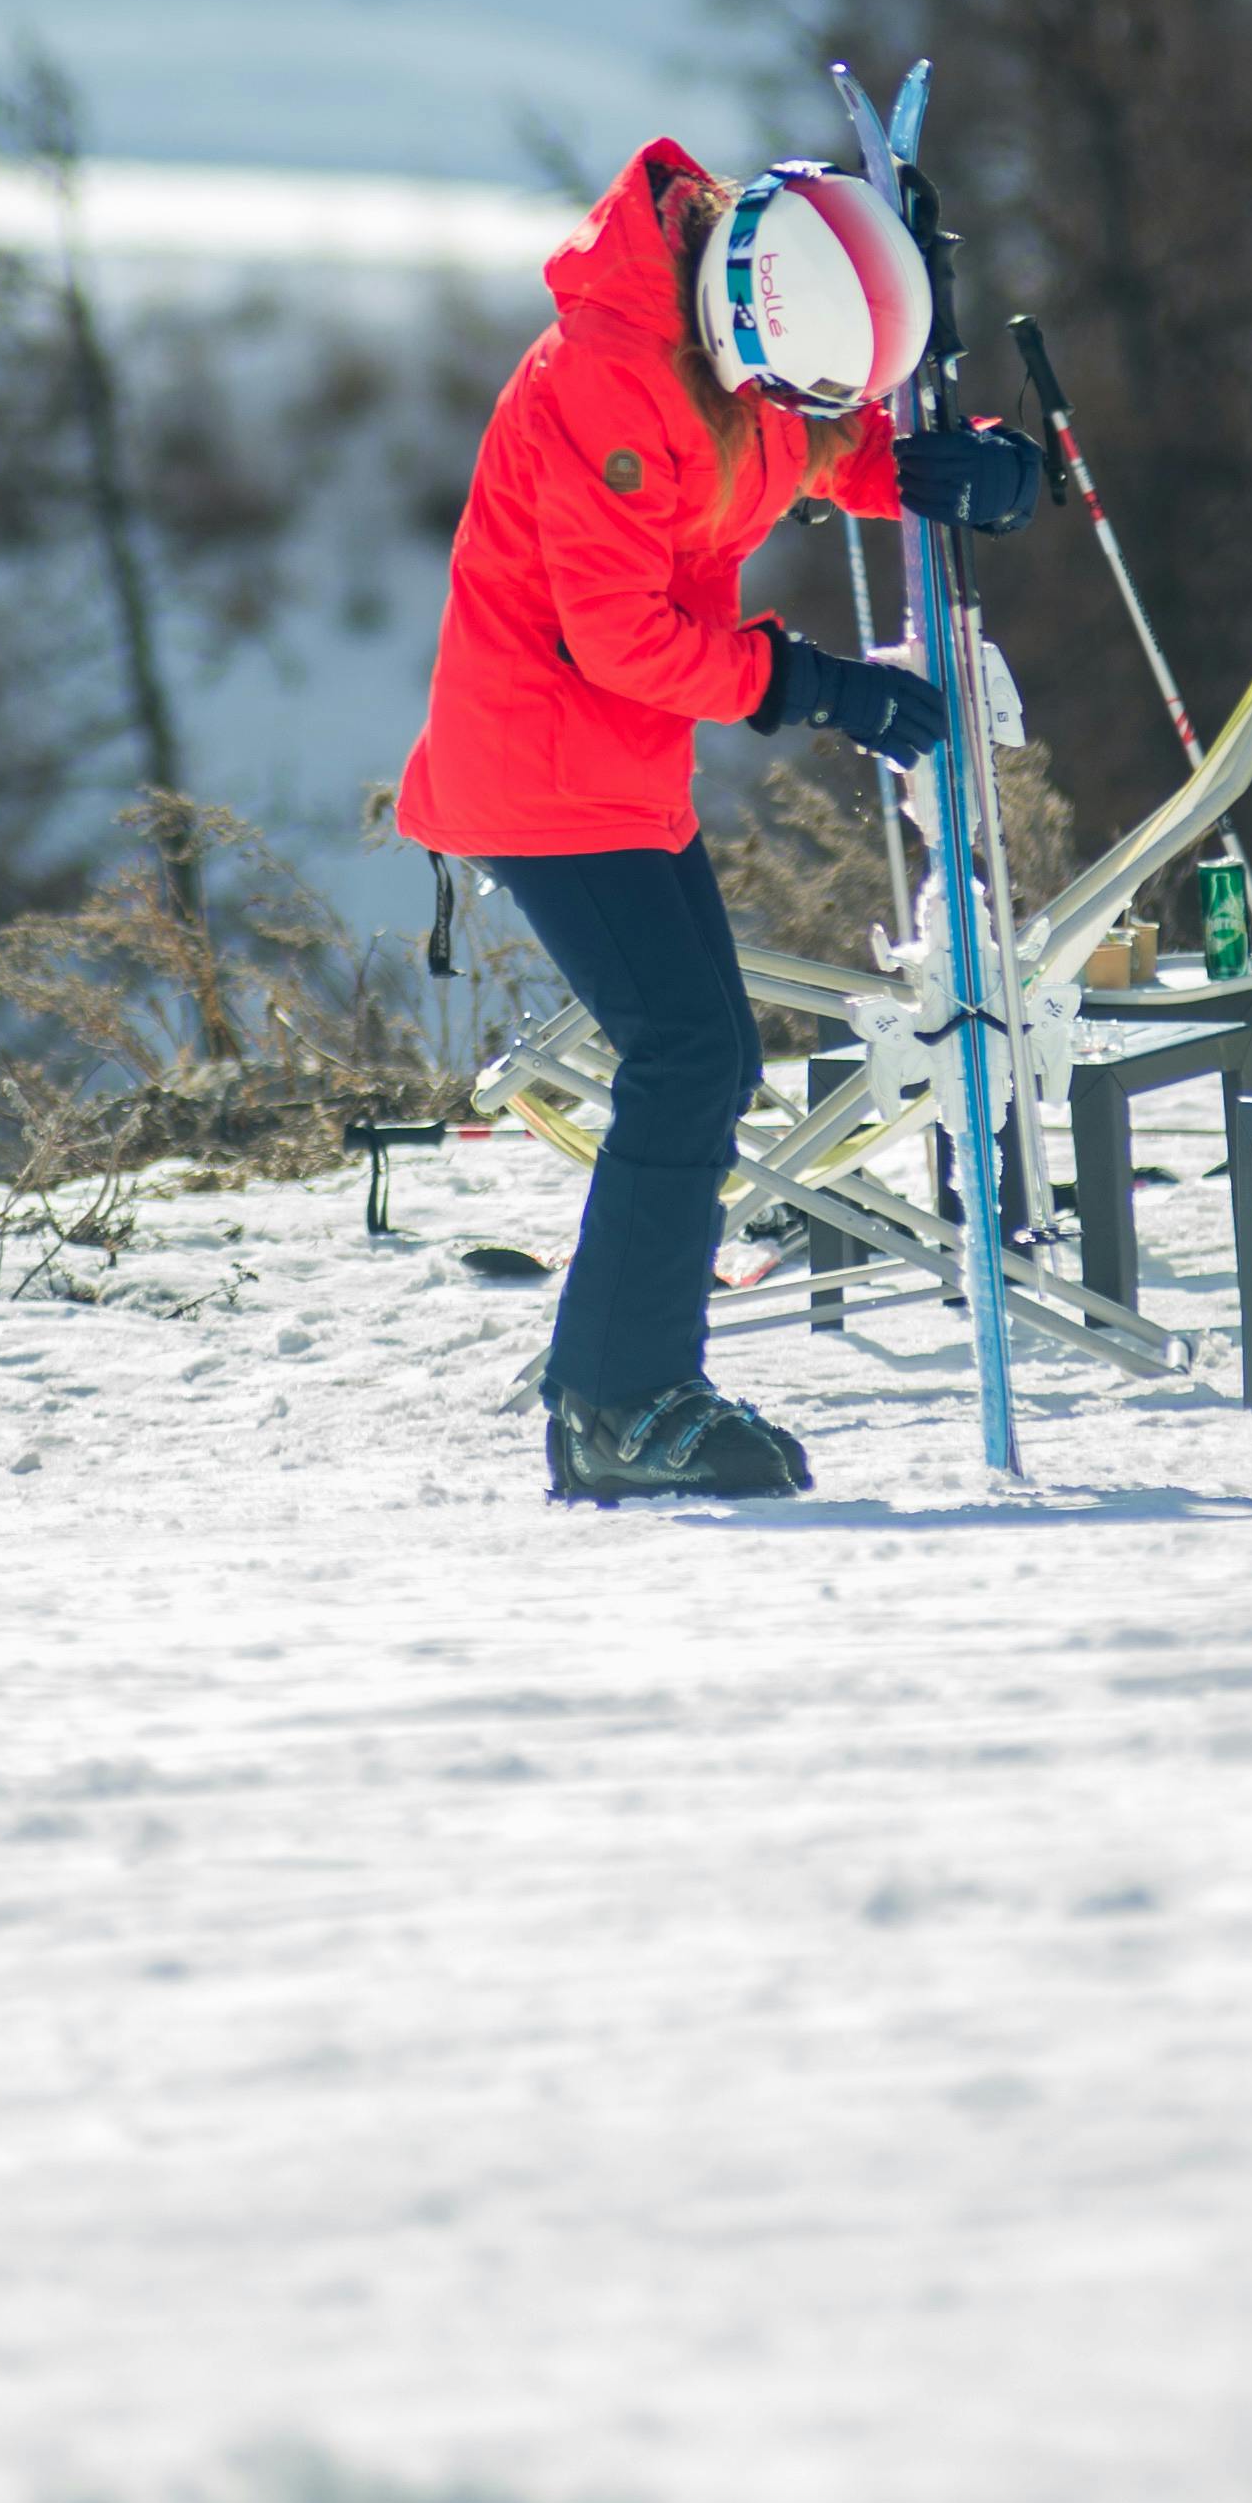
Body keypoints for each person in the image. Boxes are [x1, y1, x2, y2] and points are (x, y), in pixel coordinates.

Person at [398, 140, 1043, 1503]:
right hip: (542, 764)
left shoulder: (727, 335)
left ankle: (627, 1390)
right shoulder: (606, 388)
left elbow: (810, 444)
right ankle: (618, 1404)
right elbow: (622, 635)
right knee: (687, 1055)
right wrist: (811, 683)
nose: (802, 409)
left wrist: (938, 468)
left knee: (702, 1054)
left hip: (616, 771)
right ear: (746, 324)